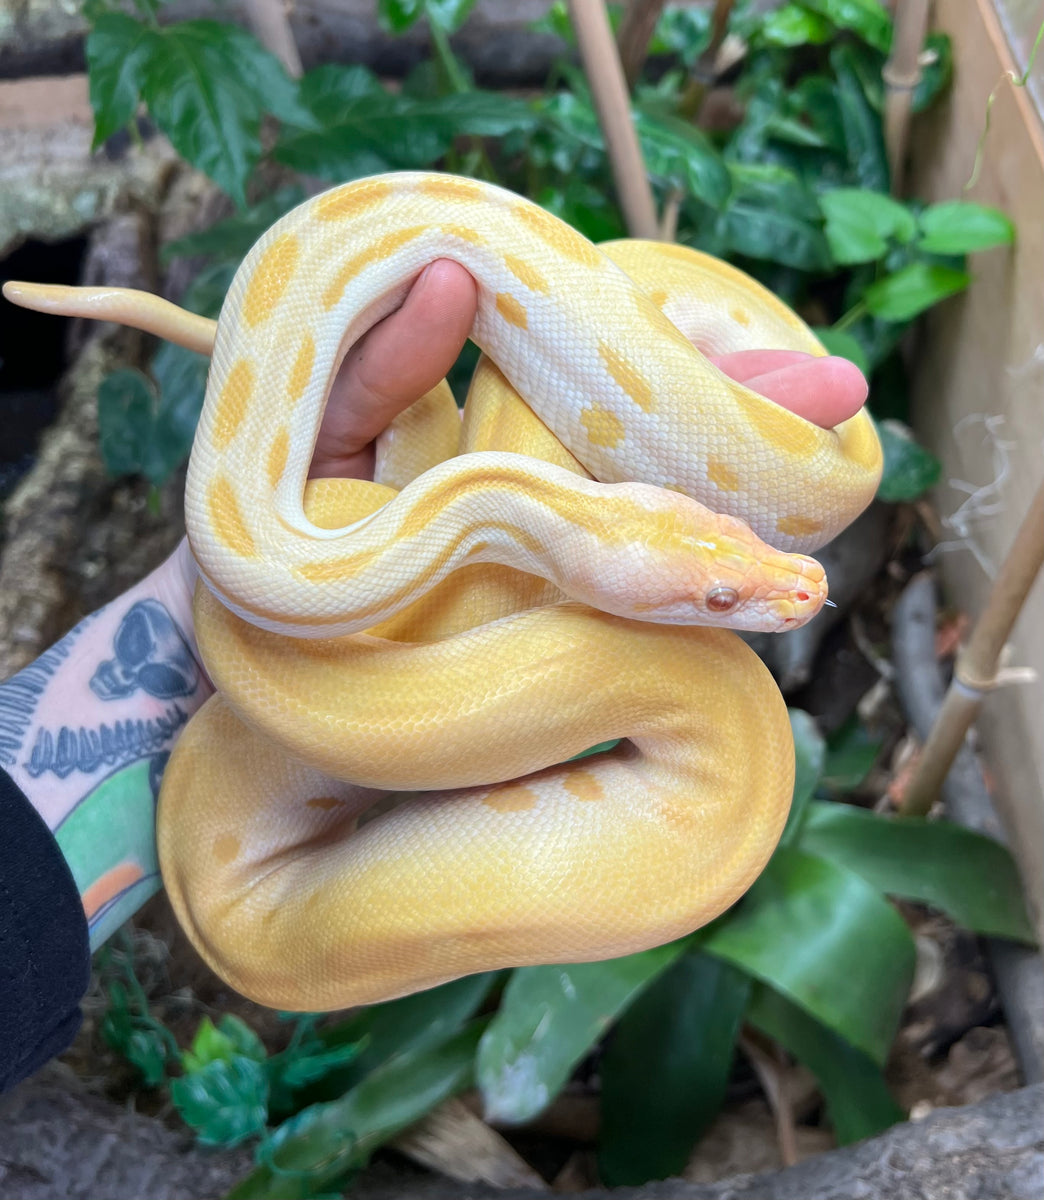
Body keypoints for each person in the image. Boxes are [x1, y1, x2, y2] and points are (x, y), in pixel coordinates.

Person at [0, 261, 868, 1092]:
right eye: (722, 598)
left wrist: (263, 581)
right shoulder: (539, 542)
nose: (792, 592)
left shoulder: (515, 531)